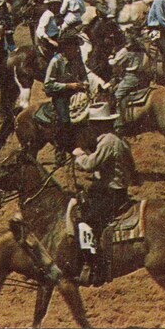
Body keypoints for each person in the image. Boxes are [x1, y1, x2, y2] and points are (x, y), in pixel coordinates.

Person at [71, 120, 134, 285]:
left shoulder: (108, 141)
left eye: (93, 124)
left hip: (111, 194)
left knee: (86, 221)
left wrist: (79, 155)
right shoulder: (117, 140)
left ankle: (93, 266)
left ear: (98, 125)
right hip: (116, 190)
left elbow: (90, 164)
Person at [44, 34, 88, 159]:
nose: (76, 50)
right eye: (74, 47)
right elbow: (48, 85)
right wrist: (68, 86)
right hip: (60, 95)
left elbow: (84, 75)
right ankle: (61, 149)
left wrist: (85, 83)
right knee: (65, 119)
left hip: (76, 92)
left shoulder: (77, 59)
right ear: (66, 48)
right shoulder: (56, 61)